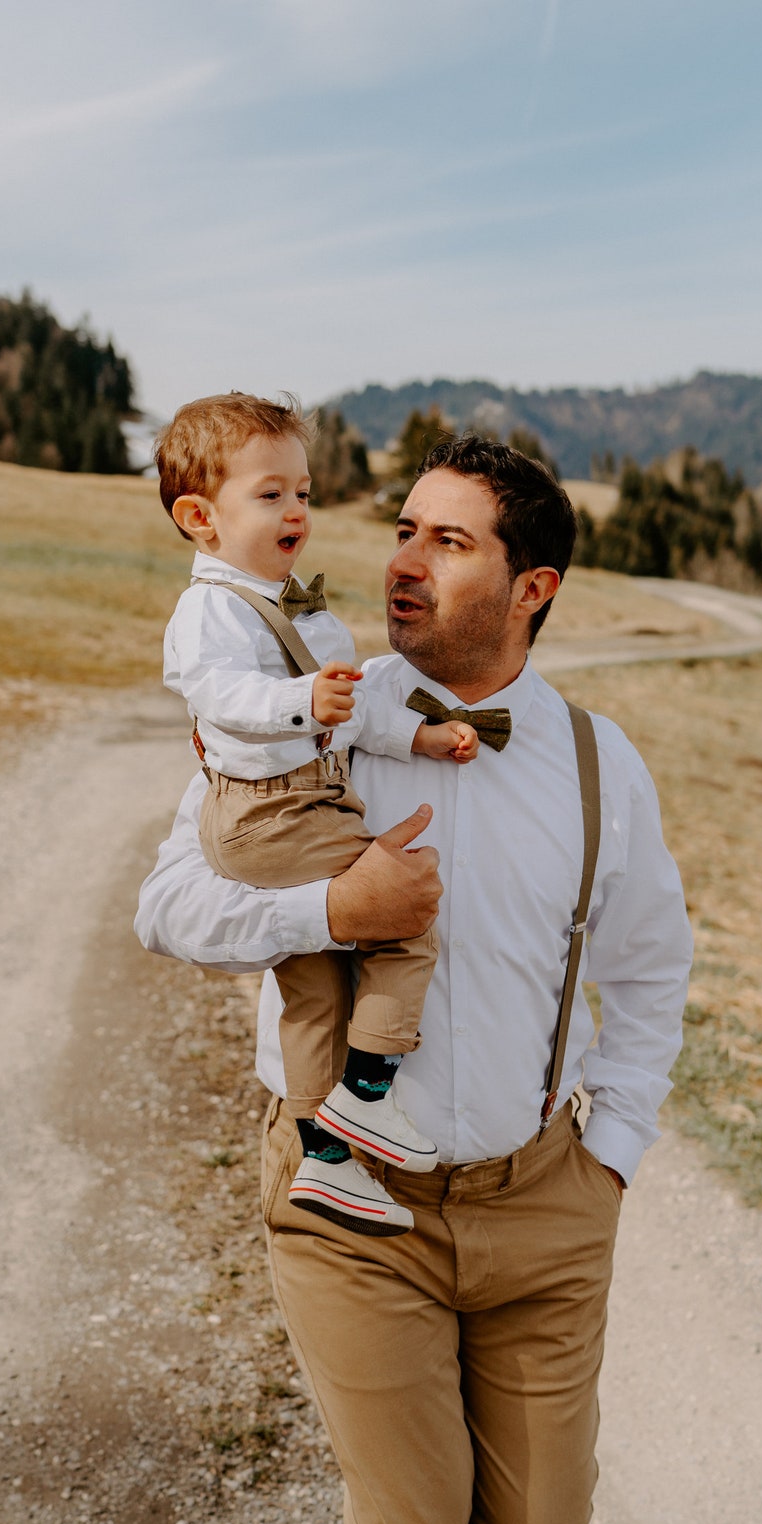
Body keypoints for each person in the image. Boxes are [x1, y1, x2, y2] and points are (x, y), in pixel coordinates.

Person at [136, 434, 693, 1524]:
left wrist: (613, 1155)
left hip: (543, 1203)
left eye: (448, 542)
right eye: (402, 531)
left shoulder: (603, 767)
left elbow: (651, 967)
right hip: (352, 1211)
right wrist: (331, 908)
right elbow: (167, 903)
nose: (404, 562)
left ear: (529, 587)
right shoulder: (310, 718)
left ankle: (429, 1486)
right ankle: (407, 1509)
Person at [156, 392, 479, 1236]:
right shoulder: (210, 610)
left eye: (302, 491)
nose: (296, 508)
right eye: (270, 495)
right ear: (201, 518)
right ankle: (368, 1097)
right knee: (406, 920)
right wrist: (305, 699)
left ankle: (323, 1159)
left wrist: (421, 734)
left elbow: (356, 703)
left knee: (310, 989)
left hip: (295, 803)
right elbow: (219, 694)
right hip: (274, 811)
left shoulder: (299, 603)